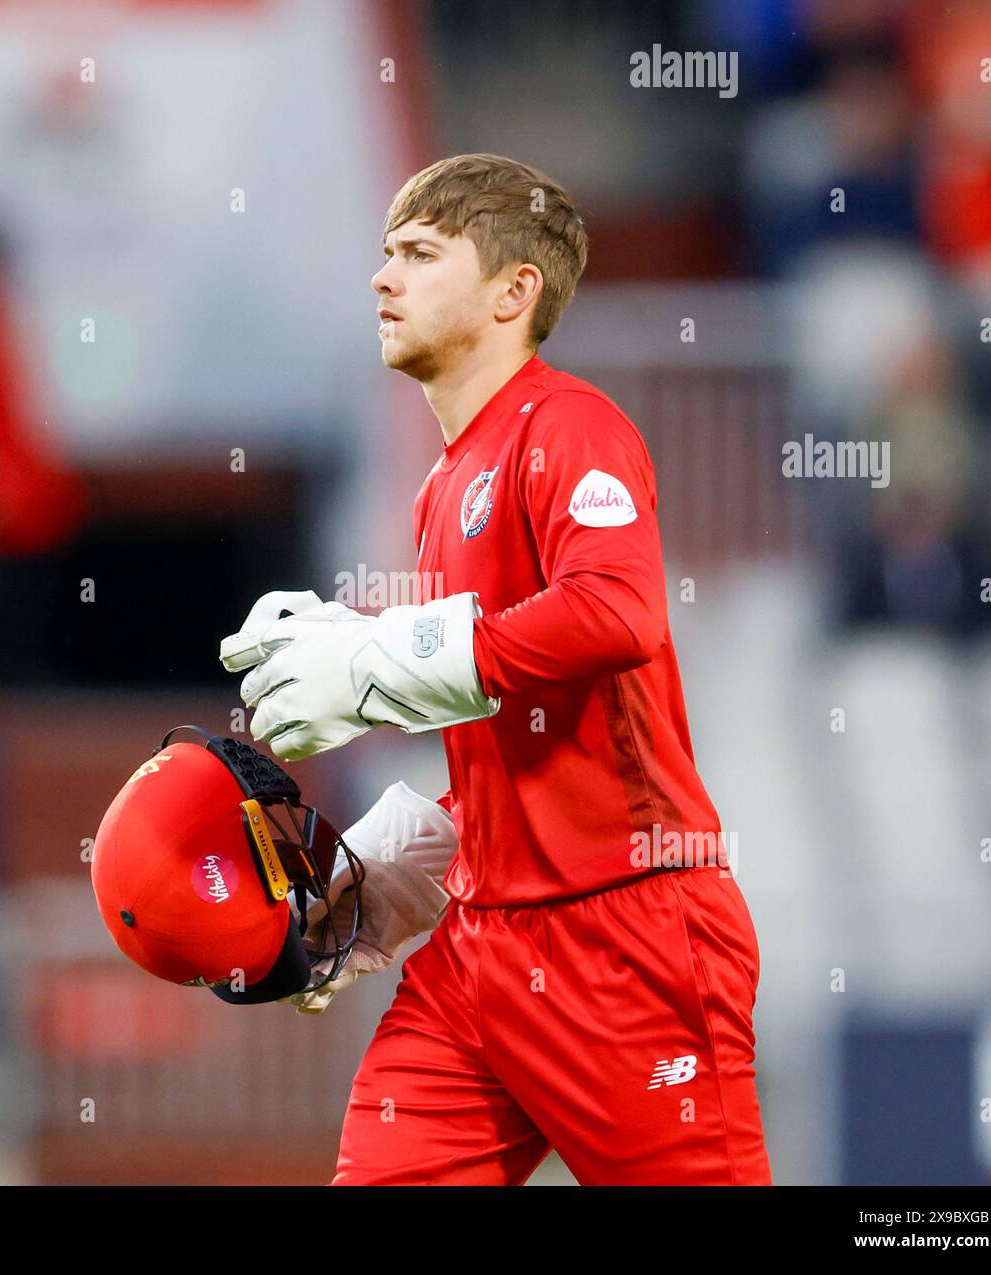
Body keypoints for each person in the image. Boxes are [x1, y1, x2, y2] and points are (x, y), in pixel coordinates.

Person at [220, 154, 771, 1186]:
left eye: (420, 255)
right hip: (483, 948)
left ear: (515, 290)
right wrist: (397, 865)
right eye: (384, 255)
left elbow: (616, 612)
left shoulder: (570, 425)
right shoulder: (442, 490)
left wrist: (386, 655)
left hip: (627, 943)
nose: (383, 279)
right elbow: (522, 737)